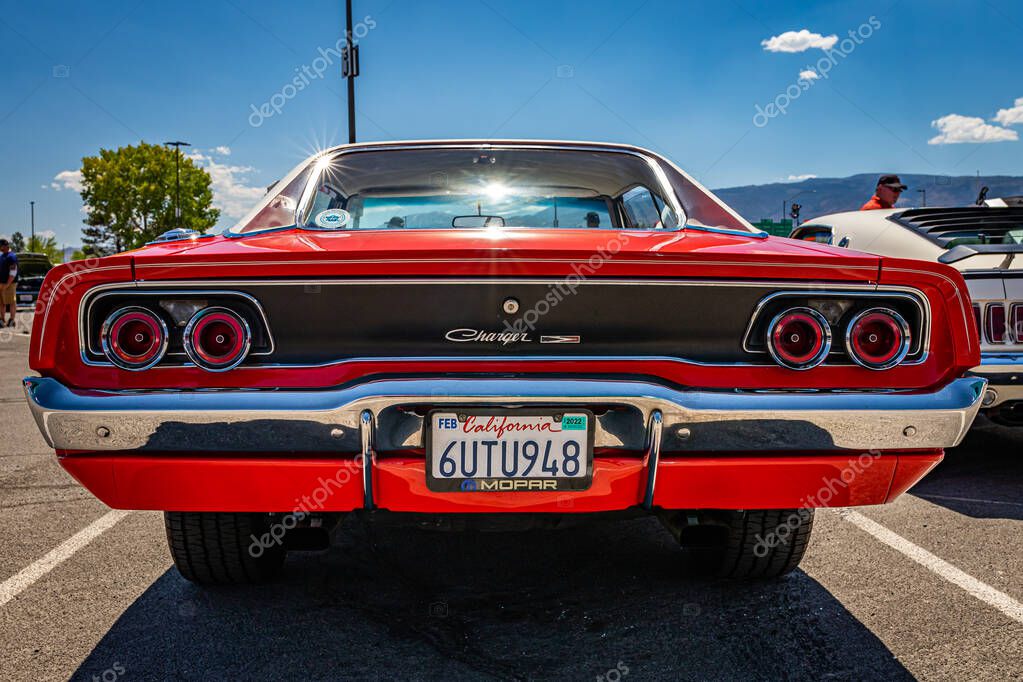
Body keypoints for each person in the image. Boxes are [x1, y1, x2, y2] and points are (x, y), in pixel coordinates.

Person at [0, 239, 18, 327]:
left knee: (11, 302)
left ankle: (11, 320)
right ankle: (2, 319)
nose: (0, 248)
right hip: (2, 283)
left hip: (10, 283)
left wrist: (7, 284)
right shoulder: (2, 256)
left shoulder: (11, 256)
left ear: (5, 246)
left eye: (1, 246)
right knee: (1, 302)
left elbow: (13, 272)